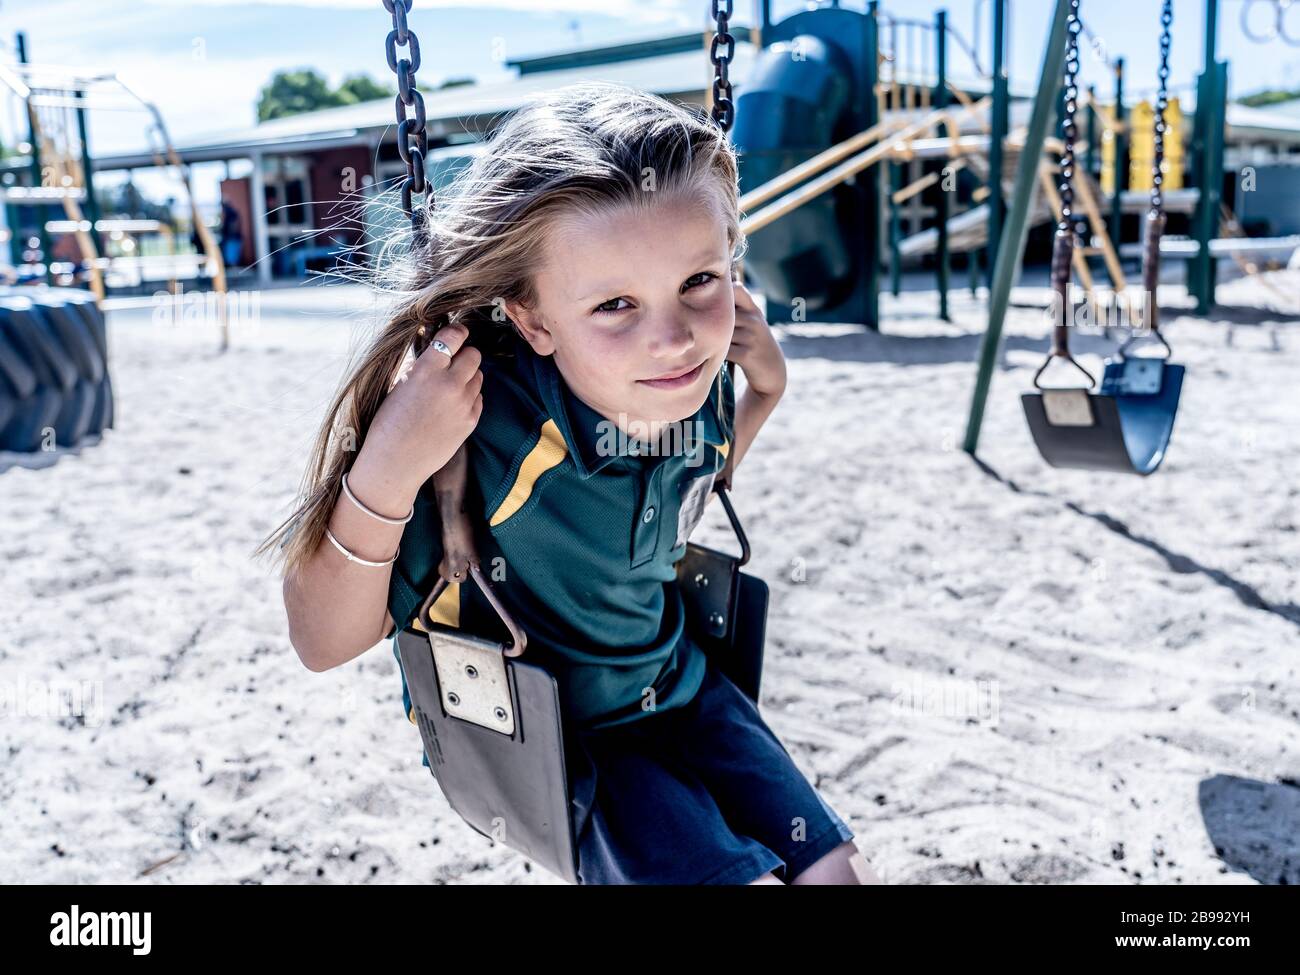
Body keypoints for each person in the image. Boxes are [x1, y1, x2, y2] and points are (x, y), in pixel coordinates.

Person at [257, 81, 882, 886]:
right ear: (532, 318)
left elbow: (701, 478)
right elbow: (321, 639)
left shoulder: (701, 382)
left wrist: (767, 386)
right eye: (616, 304)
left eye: (700, 281)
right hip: (566, 741)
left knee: (839, 872)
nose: (674, 339)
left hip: (684, 689)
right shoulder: (477, 434)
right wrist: (387, 465)